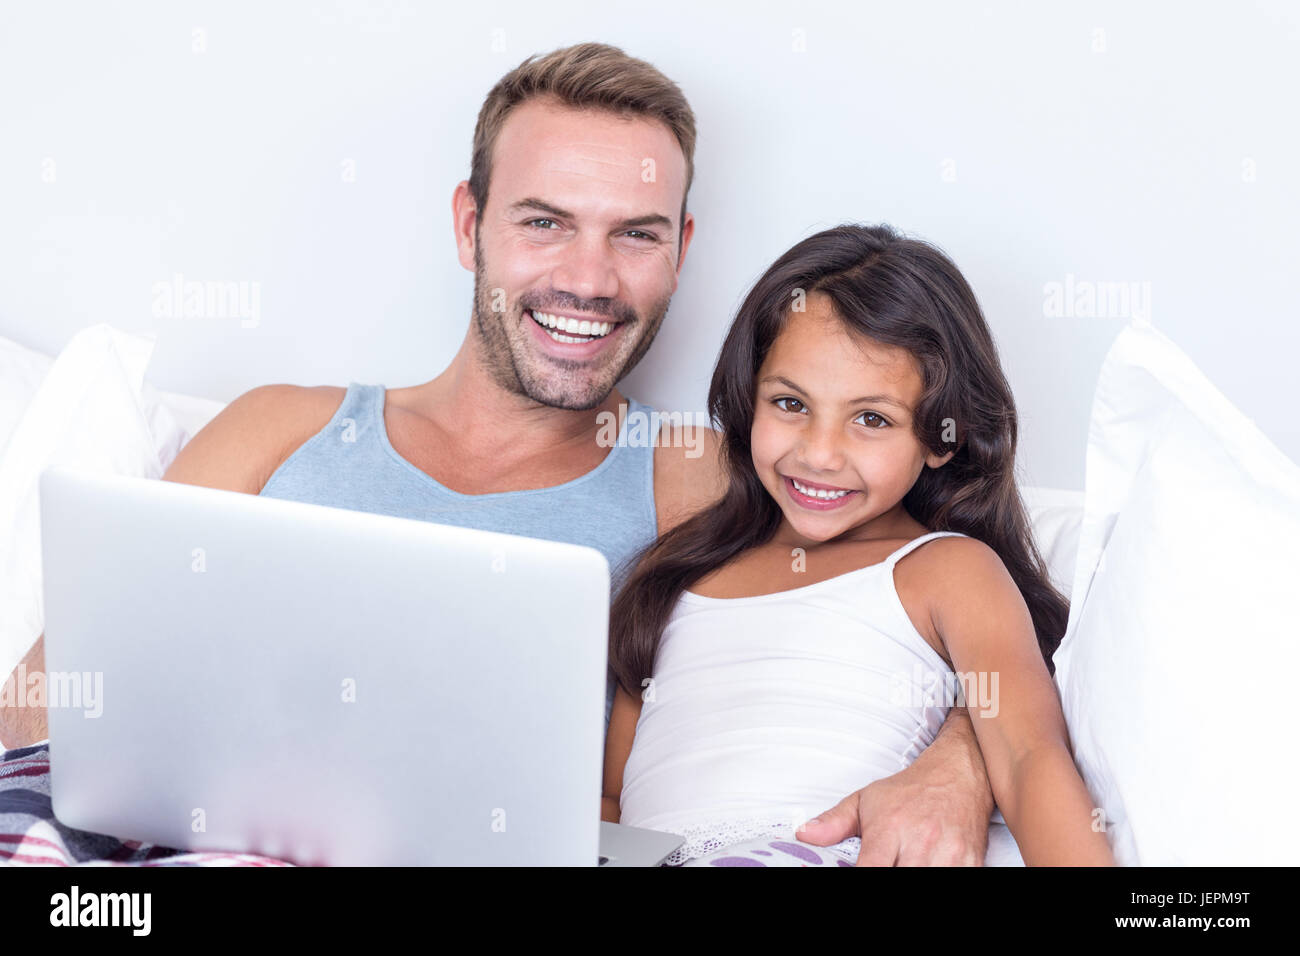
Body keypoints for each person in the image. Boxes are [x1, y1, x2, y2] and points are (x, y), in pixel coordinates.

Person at [1, 43, 1000, 866]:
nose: (588, 277)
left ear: (681, 250)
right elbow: (41, 711)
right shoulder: (279, 427)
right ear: (469, 224)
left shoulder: (699, 476)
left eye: (634, 235)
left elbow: (942, 605)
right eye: (543, 222)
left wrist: (956, 762)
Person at [603, 223, 1115, 866]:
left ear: (941, 439)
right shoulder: (672, 578)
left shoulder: (946, 570)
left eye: (871, 419)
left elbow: (1028, 758)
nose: (819, 454)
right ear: (747, 401)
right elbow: (610, 804)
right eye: (790, 403)